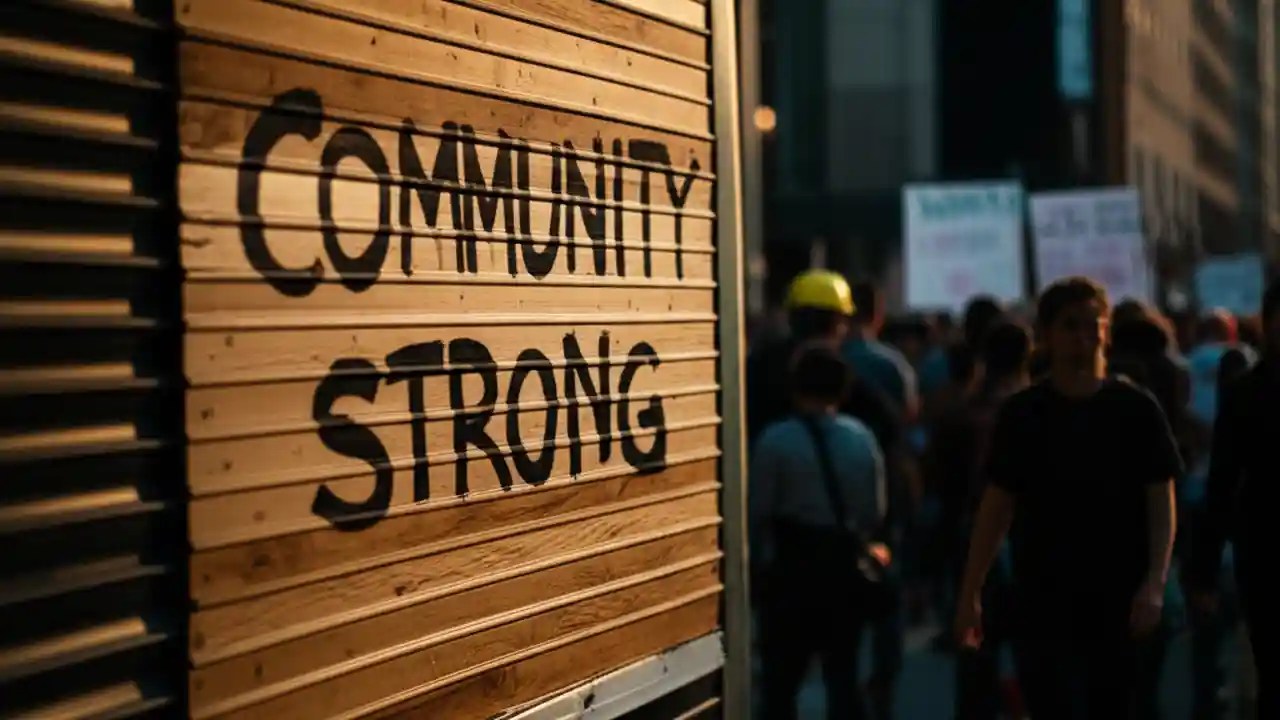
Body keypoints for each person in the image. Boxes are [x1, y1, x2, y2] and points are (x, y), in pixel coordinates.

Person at [954, 276, 1181, 719]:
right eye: (1069, 325)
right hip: (1043, 599)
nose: (1082, 337)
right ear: (1047, 335)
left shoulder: (1135, 409)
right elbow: (997, 508)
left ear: (1106, 331)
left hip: (1119, 597)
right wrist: (971, 592)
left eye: (1092, 325)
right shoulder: (1024, 414)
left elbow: (1161, 500)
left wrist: (1156, 581)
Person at [750, 343, 889, 720]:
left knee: (781, 684)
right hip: (843, 572)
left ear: (794, 386)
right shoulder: (861, 438)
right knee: (843, 678)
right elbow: (874, 512)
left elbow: (758, 513)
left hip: (790, 573)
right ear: (842, 390)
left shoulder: (775, 441)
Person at [927, 321, 1033, 719]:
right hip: (1033, 544)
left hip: (972, 540)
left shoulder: (961, 414)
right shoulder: (1038, 412)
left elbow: (940, 485)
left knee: (975, 654)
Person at [1190, 279, 1280, 720]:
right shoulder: (1246, 393)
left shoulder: (1247, 391)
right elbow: (1222, 482)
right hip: (1264, 551)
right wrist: (1204, 571)